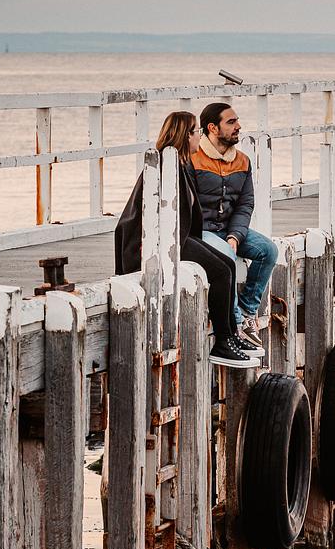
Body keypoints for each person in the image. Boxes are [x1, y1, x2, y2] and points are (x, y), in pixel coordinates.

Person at [114, 110, 258, 369]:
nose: (198, 137)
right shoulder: (167, 166)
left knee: (227, 262)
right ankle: (224, 342)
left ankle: (232, 335)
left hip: (178, 236)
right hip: (162, 243)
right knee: (221, 272)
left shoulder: (181, 164)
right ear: (185, 136)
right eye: (195, 132)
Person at [191, 102, 278, 347]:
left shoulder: (242, 161)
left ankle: (248, 312)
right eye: (231, 122)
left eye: (237, 121)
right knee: (226, 254)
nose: (238, 126)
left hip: (228, 230)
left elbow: (244, 205)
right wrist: (226, 242)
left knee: (268, 250)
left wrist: (236, 235)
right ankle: (236, 324)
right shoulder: (193, 159)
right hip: (201, 232)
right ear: (212, 128)